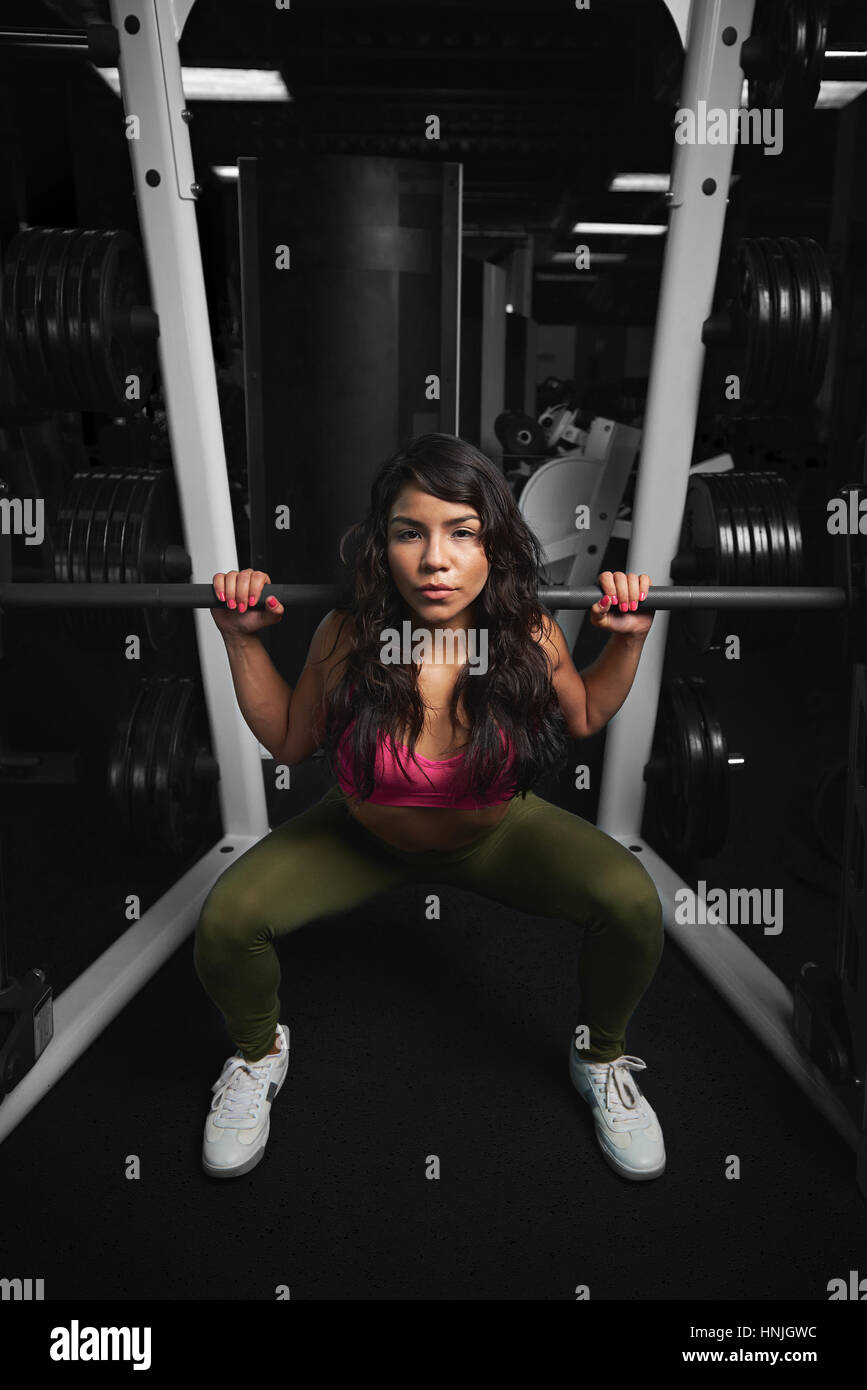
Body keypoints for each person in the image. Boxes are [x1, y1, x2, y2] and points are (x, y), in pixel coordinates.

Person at [195, 434, 665, 1182]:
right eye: (409, 532)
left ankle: (599, 1057)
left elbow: (580, 716)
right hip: (362, 838)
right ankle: (258, 1056)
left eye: (462, 533)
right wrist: (240, 641)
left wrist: (628, 642)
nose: (434, 560)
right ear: (382, 547)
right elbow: (288, 743)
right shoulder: (345, 635)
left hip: (497, 836)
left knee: (634, 904)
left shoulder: (527, 634)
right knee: (224, 923)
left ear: (494, 548)